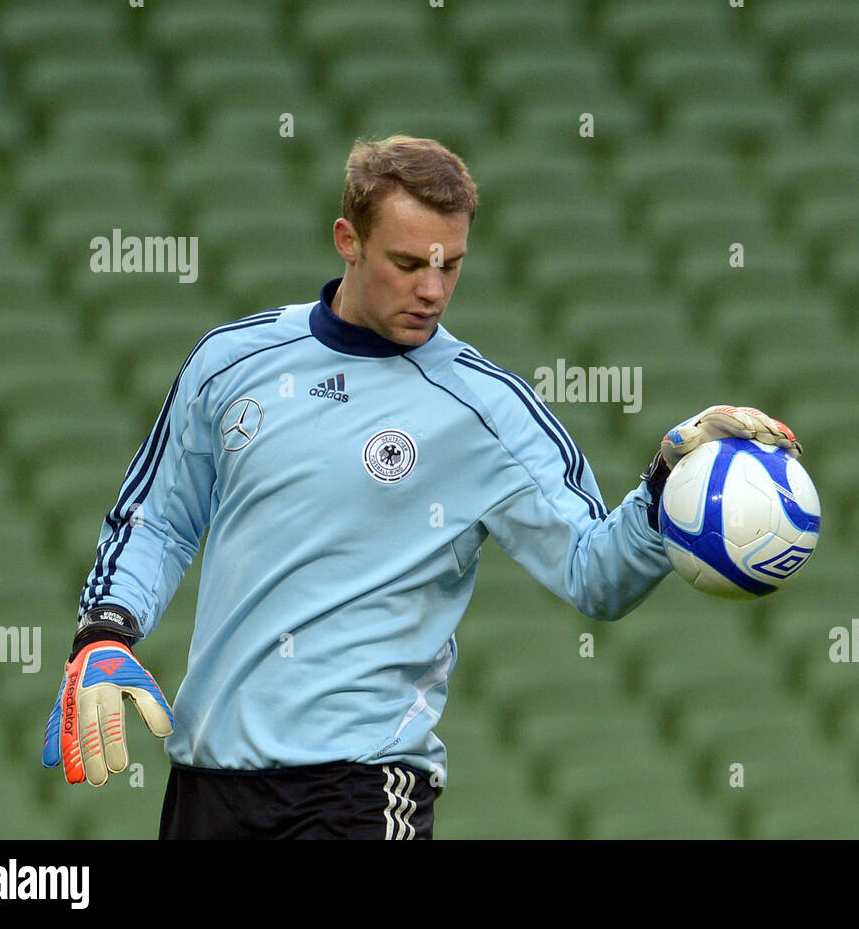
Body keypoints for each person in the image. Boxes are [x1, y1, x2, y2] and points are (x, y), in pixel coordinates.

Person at [42, 135, 800, 839]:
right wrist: (106, 631)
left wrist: (667, 485)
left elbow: (594, 575)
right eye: (408, 264)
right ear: (349, 241)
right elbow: (161, 520)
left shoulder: (485, 411)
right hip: (209, 783)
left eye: (452, 264)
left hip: (361, 789)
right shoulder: (231, 362)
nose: (433, 289)